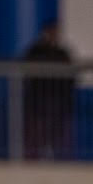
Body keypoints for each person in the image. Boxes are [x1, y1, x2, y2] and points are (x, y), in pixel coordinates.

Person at [21, 21, 75, 160]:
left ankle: (57, 156)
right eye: (52, 32)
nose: (54, 35)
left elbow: (72, 76)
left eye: (56, 32)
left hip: (58, 101)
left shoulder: (62, 53)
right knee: (37, 131)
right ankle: (35, 156)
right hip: (38, 100)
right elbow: (26, 71)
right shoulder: (35, 51)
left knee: (57, 132)